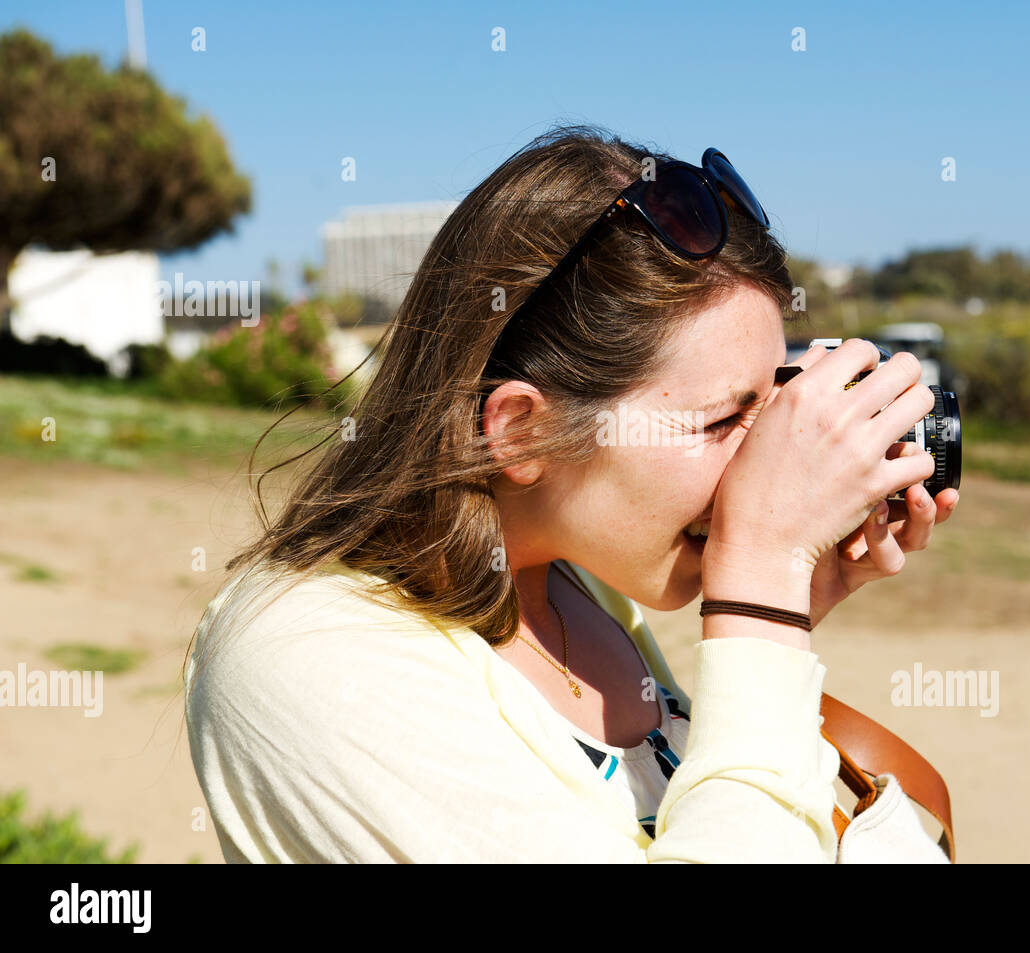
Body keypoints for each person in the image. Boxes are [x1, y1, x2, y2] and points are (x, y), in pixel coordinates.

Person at [183, 124, 959, 863]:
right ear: (520, 430)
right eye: (726, 416)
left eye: (775, 403)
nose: (764, 458)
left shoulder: (569, 582)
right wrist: (761, 592)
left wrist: (785, 605)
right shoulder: (306, 656)